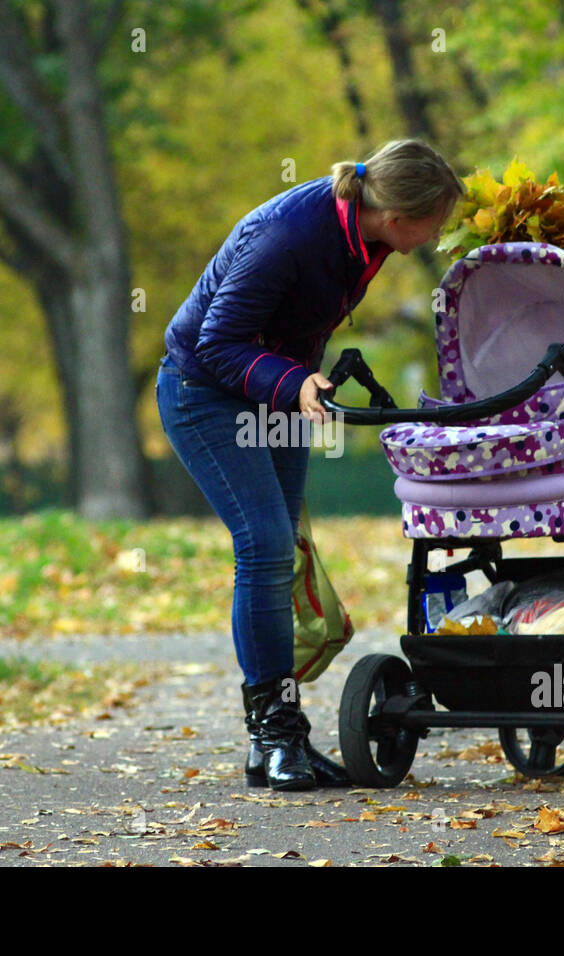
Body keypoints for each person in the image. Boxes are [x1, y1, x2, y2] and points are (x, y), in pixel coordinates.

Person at [157, 139, 464, 790]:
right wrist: (292, 382)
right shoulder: (289, 235)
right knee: (264, 547)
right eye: (435, 224)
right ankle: (274, 735)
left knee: (286, 548)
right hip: (206, 393)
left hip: (277, 391)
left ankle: (276, 743)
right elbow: (216, 343)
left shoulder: (370, 236)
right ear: (401, 213)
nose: (434, 238)